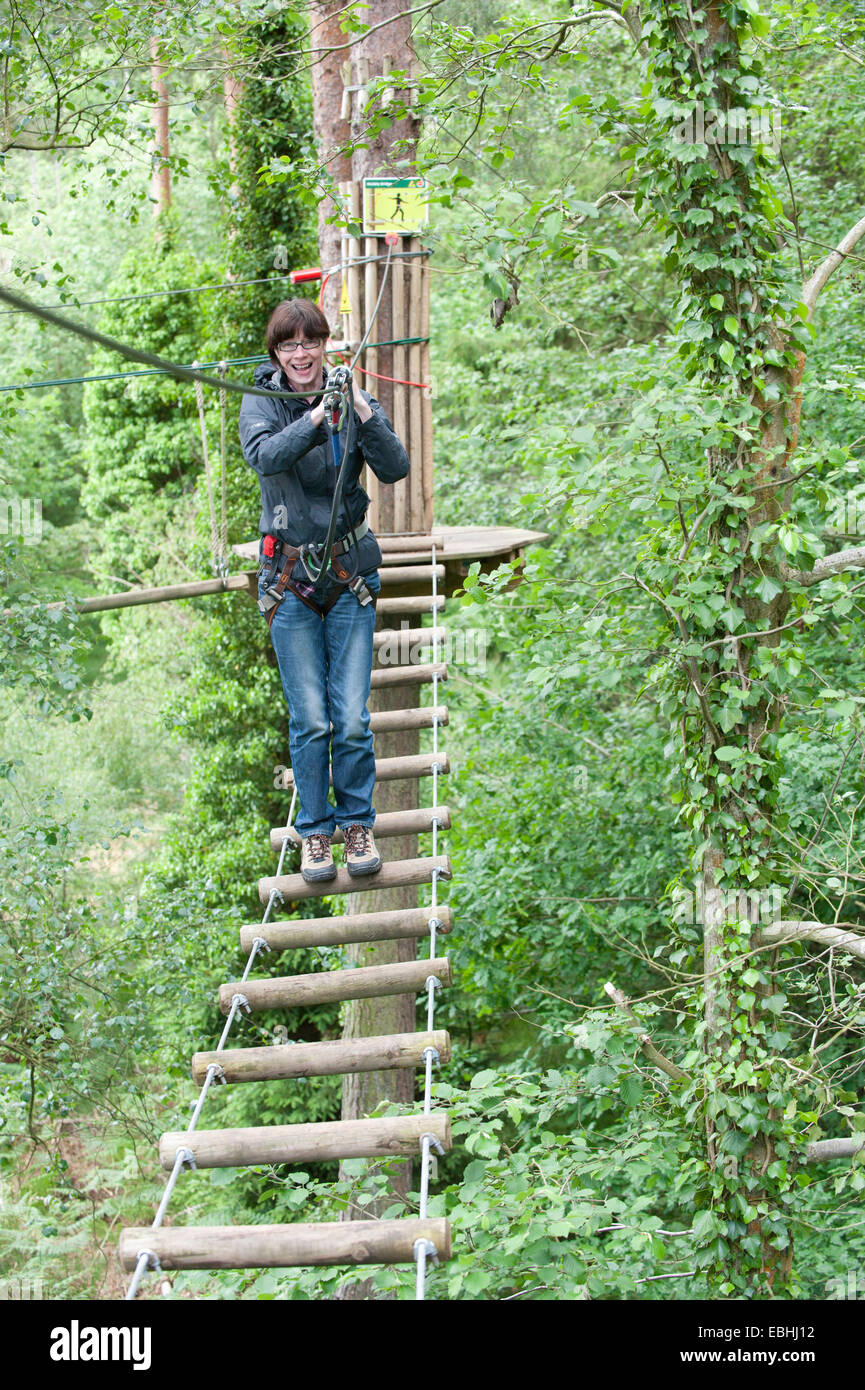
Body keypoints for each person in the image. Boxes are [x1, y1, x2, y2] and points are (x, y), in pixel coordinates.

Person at [239, 298, 410, 883]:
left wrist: (359, 407)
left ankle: (356, 824)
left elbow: (394, 467)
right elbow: (265, 456)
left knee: (352, 719)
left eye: (310, 342)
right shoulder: (264, 401)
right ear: (276, 354)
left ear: (324, 344)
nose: (301, 354)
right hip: (290, 585)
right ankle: (315, 832)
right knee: (312, 718)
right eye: (289, 346)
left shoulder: (348, 396)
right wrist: (313, 419)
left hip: (348, 578)